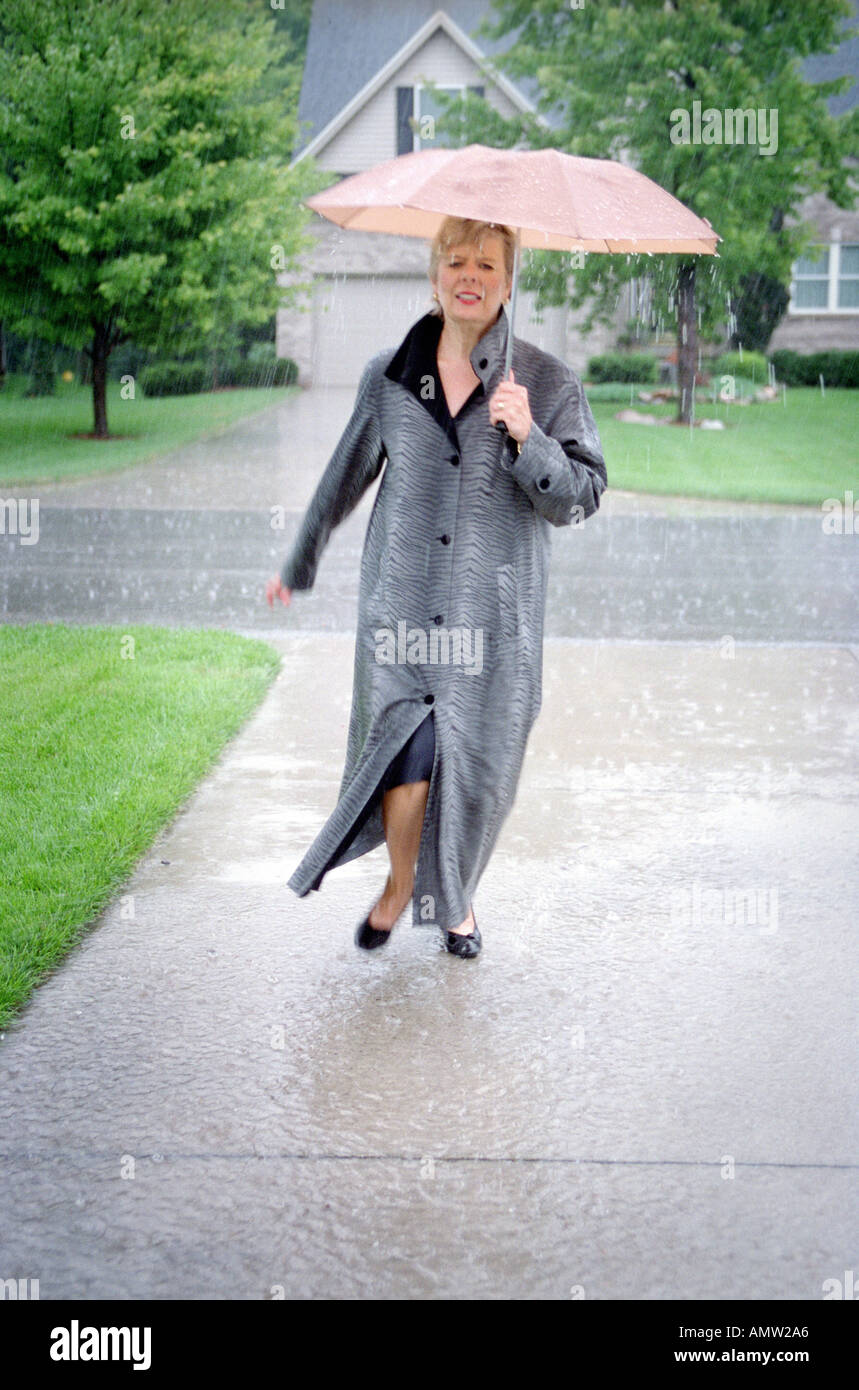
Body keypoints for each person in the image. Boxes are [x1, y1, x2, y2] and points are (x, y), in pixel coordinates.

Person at [266, 217, 607, 958]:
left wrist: (530, 441)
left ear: (508, 281)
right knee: (404, 754)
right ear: (434, 274)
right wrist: (298, 563)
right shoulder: (388, 376)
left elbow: (580, 497)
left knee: (477, 772)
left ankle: (454, 898)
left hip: (494, 619)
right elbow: (342, 477)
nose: (470, 274)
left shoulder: (546, 384)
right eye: (456, 260)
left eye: (487, 263)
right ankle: (401, 886)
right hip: (402, 608)